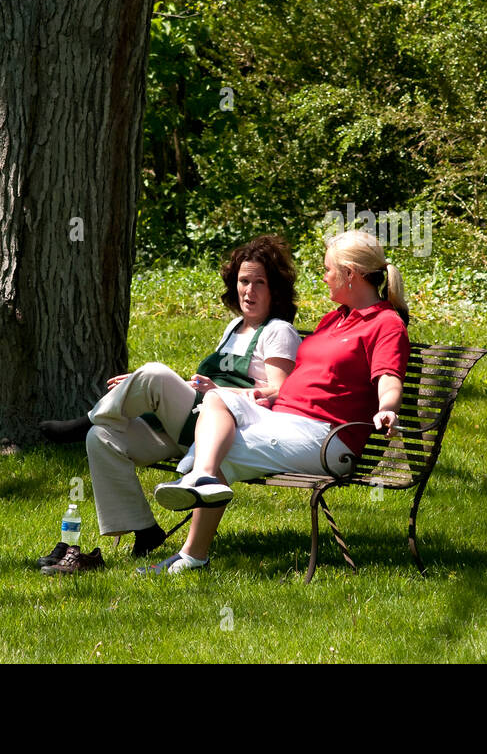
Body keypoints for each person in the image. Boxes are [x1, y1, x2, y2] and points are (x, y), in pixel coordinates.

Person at [141, 229, 410, 575]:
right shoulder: (335, 318)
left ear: (350, 274)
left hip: (327, 437)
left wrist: (387, 408)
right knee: (217, 401)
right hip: (284, 421)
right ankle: (203, 484)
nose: (324, 276)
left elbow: (389, 377)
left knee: (218, 446)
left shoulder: (385, 324)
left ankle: (193, 547)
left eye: (328, 269)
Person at [37, 235, 302, 574]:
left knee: (155, 375)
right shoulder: (235, 327)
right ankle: (145, 531)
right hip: (193, 421)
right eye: (243, 281)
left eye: (259, 283)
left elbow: (278, 392)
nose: (248, 291)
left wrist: (215, 389)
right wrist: (149, 384)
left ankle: (87, 418)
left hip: (227, 427)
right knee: (102, 438)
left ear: (275, 288)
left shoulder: (278, 331)